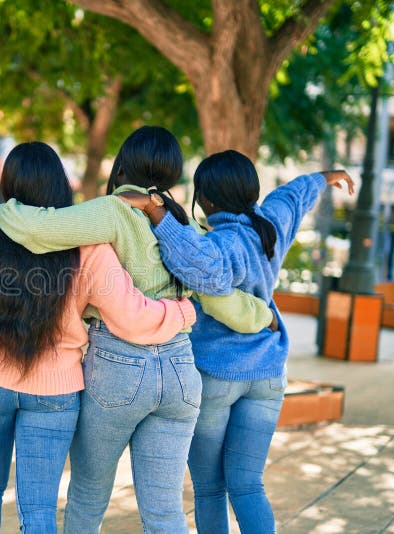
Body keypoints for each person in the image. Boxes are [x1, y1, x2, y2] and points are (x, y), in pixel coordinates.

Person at [0, 50, 196, 534]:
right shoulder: (88, 248)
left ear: (7, 184)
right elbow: (132, 318)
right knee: (38, 511)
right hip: (54, 395)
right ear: (61, 189)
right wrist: (183, 312)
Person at [0, 129, 276, 532]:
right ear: (173, 173)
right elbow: (221, 300)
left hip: (120, 367)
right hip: (181, 373)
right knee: (165, 512)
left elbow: (41, 230)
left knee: (89, 496)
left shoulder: (115, 210)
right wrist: (263, 315)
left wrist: (5, 209)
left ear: (122, 164)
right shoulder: (180, 223)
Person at [118, 150, 354, 533]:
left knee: (210, 488)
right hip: (268, 375)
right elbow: (291, 196)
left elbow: (204, 269)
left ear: (206, 199)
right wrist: (326, 176)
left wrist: (156, 211)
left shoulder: (223, 243)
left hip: (217, 374)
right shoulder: (270, 225)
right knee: (248, 485)